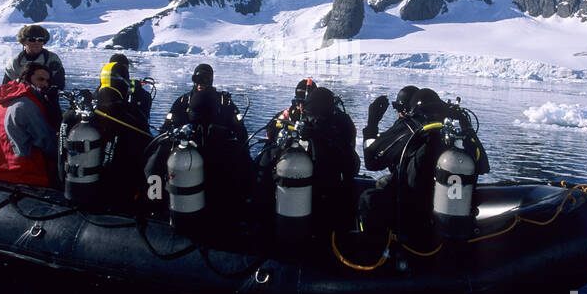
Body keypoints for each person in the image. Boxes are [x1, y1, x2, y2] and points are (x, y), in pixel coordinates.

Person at [357, 87, 488, 247]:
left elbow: (372, 160)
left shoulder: (412, 126)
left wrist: (372, 124)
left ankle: (373, 252)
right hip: (445, 209)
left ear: (409, 108)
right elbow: (483, 166)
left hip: (414, 213)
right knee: (385, 182)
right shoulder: (454, 129)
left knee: (368, 199)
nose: (399, 114)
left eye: (399, 108)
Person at [146, 84, 255, 232]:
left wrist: (154, 199)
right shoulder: (228, 144)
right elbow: (244, 152)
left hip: (190, 204)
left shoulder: (222, 107)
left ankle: (155, 206)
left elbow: (152, 171)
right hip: (218, 207)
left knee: (156, 164)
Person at [258, 82, 359, 233]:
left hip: (329, 171)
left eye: (303, 103)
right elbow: (271, 129)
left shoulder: (340, 120)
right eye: (297, 102)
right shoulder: (289, 113)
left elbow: (346, 149)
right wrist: (282, 133)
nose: (300, 107)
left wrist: (318, 134)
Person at [0, 62, 59, 188]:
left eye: (47, 81)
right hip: (17, 169)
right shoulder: (27, 105)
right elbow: (46, 141)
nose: (45, 85)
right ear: (26, 77)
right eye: (40, 80)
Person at [84, 58, 154, 208]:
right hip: (121, 187)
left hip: (88, 184)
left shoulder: (88, 106)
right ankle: (153, 204)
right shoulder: (128, 114)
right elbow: (147, 143)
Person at [159, 62, 246, 145]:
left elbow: (240, 131)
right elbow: (166, 127)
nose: (201, 83)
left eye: (205, 79)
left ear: (211, 80)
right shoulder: (183, 101)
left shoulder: (225, 102)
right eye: (197, 79)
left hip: (219, 151)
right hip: (185, 148)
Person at [4, 24, 66, 93]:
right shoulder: (15, 62)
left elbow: (59, 84)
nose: (37, 43)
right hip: (21, 98)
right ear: (24, 42)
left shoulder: (52, 59)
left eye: (40, 40)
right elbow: (6, 87)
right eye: (32, 40)